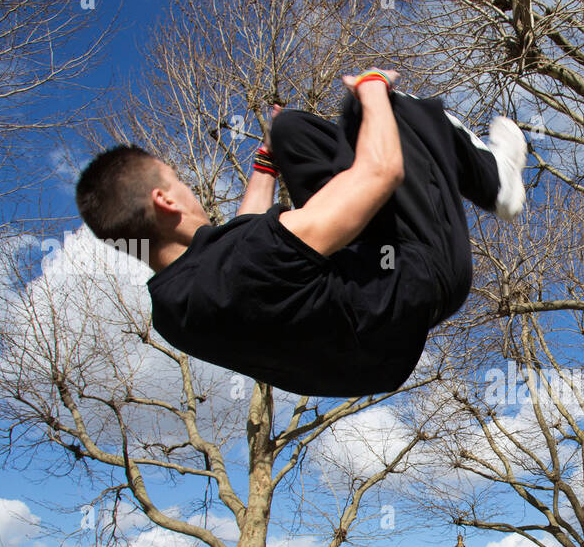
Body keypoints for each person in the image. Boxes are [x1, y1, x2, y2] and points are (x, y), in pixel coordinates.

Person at [75, 70, 527, 400]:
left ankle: (300, 138)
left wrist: (268, 162)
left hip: (369, 344)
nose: (189, 190)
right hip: (425, 271)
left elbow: (242, 236)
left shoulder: (173, 311)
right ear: (165, 201)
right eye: (178, 182)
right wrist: (372, 87)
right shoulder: (248, 260)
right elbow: (381, 171)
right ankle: (496, 179)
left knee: (291, 130)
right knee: (379, 109)